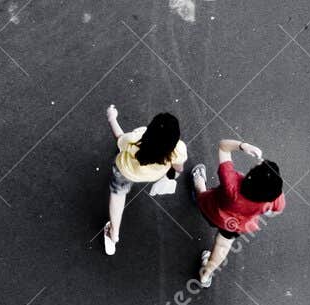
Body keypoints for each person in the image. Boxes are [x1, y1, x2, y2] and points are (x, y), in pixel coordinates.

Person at [191, 137, 285, 288]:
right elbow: (277, 211)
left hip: (212, 210)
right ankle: (205, 275)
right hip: (234, 226)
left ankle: (198, 181)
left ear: (250, 176)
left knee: (201, 194)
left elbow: (223, 147)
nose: (259, 162)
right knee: (222, 247)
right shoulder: (272, 200)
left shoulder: (231, 183)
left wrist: (243, 146)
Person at [104, 107, 187, 255]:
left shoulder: (134, 140)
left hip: (125, 170)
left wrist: (112, 118)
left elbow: (119, 138)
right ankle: (113, 233)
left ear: (149, 131)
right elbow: (179, 168)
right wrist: (169, 176)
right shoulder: (179, 149)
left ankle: (114, 233)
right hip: (151, 175)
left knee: (118, 195)